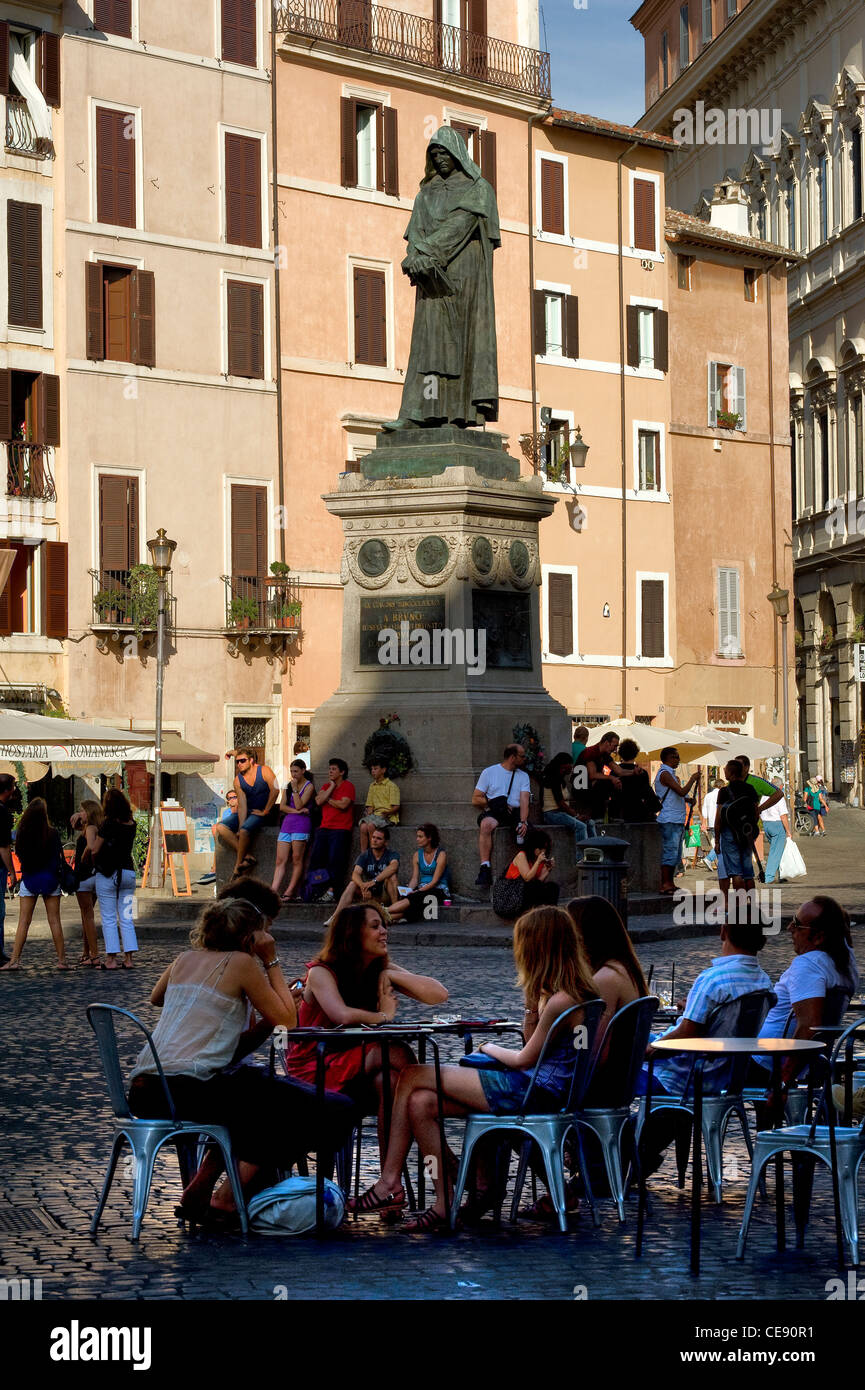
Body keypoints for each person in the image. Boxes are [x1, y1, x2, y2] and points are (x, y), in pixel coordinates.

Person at [348, 905, 598, 1232]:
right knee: (419, 1103)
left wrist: (487, 1047)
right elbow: (529, 1043)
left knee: (411, 1074)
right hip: (536, 1088)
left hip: (534, 1091)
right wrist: (530, 1001)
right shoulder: (565, 994)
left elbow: (524, 1058)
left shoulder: (563, 1000)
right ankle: (443, 1201)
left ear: (537, 947)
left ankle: (390, 1180)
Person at [128, 896, 310, 1226]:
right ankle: (224, 1199)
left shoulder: (184, 958)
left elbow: (158, 998)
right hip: (184, 1090)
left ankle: (204, 1183)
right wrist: (271, 961)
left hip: (145, 1089)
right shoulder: (242, 963)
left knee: (251, 1095)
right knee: (284, 1103)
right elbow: (289, 1021)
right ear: (251, 937)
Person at [283, 903, 448, 1157]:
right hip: (315, 1066)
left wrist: (391, 975)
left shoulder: (376, 967)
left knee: (391, 1081)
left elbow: (438, 994)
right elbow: (342, 1014)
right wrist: (383, 1015)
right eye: (375, 926)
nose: (384, 931)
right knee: (397, 1052)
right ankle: (443, 1158)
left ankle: (389, 1181)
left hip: (355, 1065)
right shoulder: (321, 971)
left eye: (383, 925)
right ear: (352, 934)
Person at [380, 126, 500, 432]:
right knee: (429, 348)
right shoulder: (426, 194)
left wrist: (424, 252)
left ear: (457, 154)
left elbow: (461, 225)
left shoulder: (479, 189)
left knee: (459, 347)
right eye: (434, 154)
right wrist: (415, 255)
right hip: (431, 279)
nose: (440, 158)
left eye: (444, 153)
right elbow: (415, 231)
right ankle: (421, 412)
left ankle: (455, 415)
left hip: (463, 279)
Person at [637, 922, 772, 1169]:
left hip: (687, 1073)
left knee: (610, 1070)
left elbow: (688, 1032)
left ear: (724, 931)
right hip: (727, 1072)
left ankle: (601, 1152)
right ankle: (639, 1152)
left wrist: (648, 1051)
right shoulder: (763, 980)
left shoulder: (713, 979)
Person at [752, 897, 859, 1094]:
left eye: (797, 924)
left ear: (818, 937)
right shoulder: (846, 963)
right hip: (806, 1062)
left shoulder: (809, 965)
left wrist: (783, 1082)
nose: (790, 928)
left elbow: (810, 1027)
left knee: (701, 1060)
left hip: (769, 1061)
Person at [567, 895, 648, 1047]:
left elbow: (589, 1048)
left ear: (583, 935)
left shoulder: (606, 978)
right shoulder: (622, 967)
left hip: (607, 1070)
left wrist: (573, 1021)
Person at [1, 798, 68, 971]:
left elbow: (20, 855)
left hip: (30, 878)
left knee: (24, 921)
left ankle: (14, 960)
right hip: (50, 878)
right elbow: (57, 857)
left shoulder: (22, 833)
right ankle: (62, 960)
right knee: (55, 921)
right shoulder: (52, 833)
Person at [92, 787, 138, 970]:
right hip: (128, 873)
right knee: (127, 917)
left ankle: (111, 959)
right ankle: (129, 959)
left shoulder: (108, 824)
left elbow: (95, 848)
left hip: (108, 874)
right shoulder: (132, 824)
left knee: (109, 917)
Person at [472, 743, 530, 888]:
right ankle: (484, 866)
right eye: (522, 756)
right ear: (512, 757)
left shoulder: (523, 776)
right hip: (497, 810)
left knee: (525, 834)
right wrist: (493, 803)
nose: (525, 759)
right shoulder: (489, 772)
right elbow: (475, 798)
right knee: (486, 825)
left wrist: (524, 822)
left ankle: (524, 871)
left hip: (515, 812)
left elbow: (524, 801)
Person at [214, 748, 279, 875]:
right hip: (249, 811)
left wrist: (265, 810)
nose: (239, 764)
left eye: (242, 761)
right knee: (221, 827)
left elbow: (275, 790)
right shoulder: (238, 780)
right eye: (237, 762)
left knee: (244, 831)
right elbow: (242, 805)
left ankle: (237, 867)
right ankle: (248, 857)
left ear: (251, 760)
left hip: (265, 811)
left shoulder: (265, 771)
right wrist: (239, 826)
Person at [323, 825, 400, 928]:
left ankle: (397, 909)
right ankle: (335, 917)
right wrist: (363, 886)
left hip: (385, 895)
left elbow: (394, 867)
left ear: (385, 842)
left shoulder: (392, 854)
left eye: (379, 838)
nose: (374, 840)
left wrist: (375, 881)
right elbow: (355, 874)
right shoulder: (365, 855)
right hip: (369, 894)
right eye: (373, 837)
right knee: (352, 884)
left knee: (392, 877)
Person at [307, 758, 356, 903]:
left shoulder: (348, 786)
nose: (330, 771)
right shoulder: (327, 785)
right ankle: (315, 890)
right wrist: (331, 788)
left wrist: (327, 799)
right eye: (329, 769)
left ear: (342, 772)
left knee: (336, 861)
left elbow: (343, 805)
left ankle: (332, 891)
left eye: (333, 769)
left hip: (340, 829)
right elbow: (318, 801)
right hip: (323, 828)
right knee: (316, 860)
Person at [714, 759, 760, 914]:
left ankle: (740, 908)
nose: (724, 772)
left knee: (736, 873)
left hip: (728, 833)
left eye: (726, 769)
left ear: (731, 773)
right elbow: (755, 812)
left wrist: (717, 840)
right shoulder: (750, 788)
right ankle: (752, 906)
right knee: (748, 873)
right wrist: (749, 828)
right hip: (746, 834)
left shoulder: (724, 791)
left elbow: (719, 818)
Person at [653, 747, 699, 894]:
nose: (678, 760)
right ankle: (665, 883)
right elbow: (681, 791)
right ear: (668, 758)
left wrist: (687, 800)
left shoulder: (671, 774)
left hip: (676, 818)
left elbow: (678, 795)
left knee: (676, 854)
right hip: (669, 818)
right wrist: (692, 779)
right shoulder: (665, 774)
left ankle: (670, 882)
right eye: (675, 757)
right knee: (670, 852)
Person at [271, 760, 315, 903]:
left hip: (301, 825)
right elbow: (282, 807)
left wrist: (295, 789)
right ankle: (273, 890)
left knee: (297, 858)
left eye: (296, 771)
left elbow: (299, 803)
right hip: (287, 824)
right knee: (280, 859)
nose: (293, 774)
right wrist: (297, 811)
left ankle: (290, 891)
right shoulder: (287, 785)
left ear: (303, 770)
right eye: (291, 771)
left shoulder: (309, 786)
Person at [389, 824, 450, 922]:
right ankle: (386, 917)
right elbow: (414, 878)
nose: (417, 839)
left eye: (420, 837)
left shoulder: (441, 854)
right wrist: (409, 889)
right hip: (422, 888)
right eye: (417, 836)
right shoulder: (417, 855)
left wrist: (418, 891)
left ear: (429, 838)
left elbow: (435, 881)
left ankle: (383, 911)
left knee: (416, 897)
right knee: (412, 899)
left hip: (438, 889)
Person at [70, 799, 103, 966]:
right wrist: (77, 817)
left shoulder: (90, 828)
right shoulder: (93, 827)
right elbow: (75, 826)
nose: (80, 813)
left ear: (89, 812)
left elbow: (90, 846)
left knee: (88, 916)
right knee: (85, 916)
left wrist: (83, 857)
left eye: (82, 810)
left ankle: (94, 955)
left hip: (84, 876)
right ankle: (86, 952)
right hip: (94, 876)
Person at [501, 828, 559, 910]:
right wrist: (538, 862)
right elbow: (527, 878)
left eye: (544, 848)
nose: (542, 850)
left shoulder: (538, 860)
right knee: (532, 887)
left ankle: (550, 912)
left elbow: (537, 882)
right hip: (510, 895)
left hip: (526, 892)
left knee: (552, 887)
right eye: (540, 847)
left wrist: (547, 870)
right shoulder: (521, 856)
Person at [542, 751, 588, 854]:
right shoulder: (553, 778)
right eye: (570, 765)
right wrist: (576, 815)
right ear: (563, 766)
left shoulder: (560, 778)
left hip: (560, 813)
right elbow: (561, 803)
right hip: (552, 814)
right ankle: (582, 859)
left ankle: (596, 852)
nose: (572, 767)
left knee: (590, 823)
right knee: (581, 826)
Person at [576, 732, 622, 818]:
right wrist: (612, 778)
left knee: (618, 783)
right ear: (606, 743)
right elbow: (592, 775)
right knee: (604, 783)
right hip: (581, 789)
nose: (615, 749)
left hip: (590, 786)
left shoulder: (604, 754)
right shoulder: (591, 752)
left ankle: (614, 816)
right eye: (614, 746)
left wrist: (633, 772)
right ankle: (599, 816)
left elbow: (619, 771)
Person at [612, 739, 658, 823]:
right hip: (638, 812)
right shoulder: (642, 773)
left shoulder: (615, 771)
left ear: (620, 753)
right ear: (636, 753)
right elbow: (646, 792)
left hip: (618, 812)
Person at [359, 761, 401, 851]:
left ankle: (373, 852)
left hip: (388, 816)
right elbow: (370, 805)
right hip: (375, 815)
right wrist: (369, 811)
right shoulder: (372, 786)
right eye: (372, 769)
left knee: (371, 826)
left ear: (383, 770)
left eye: (375, 769)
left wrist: (387, 812)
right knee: (363, 826)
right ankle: (363, 855)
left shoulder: (391, 786)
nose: (373, 771)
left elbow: (396, 806)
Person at [0, 773, 18, 964]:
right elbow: (3, 847)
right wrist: (12, 872)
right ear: (8, 790)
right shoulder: (3, 812)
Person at [760, 777, 791, 885]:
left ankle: (781, 874)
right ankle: (769, 877)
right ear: (781, 786)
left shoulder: (764, 797)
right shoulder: (779, 797)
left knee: (777, 851)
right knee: (775, 852)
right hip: (777, 824)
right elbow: (783, 816)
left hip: (766, 824)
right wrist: (788, 831)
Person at [701, 778, 723, 870]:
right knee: (721, 843)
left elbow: (704, 810)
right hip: (720, 822)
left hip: (711, 823)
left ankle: (721, 865)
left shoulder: (708, 795)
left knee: (718, 842)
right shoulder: (722, 795)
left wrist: (704, 822)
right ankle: (709, 858)